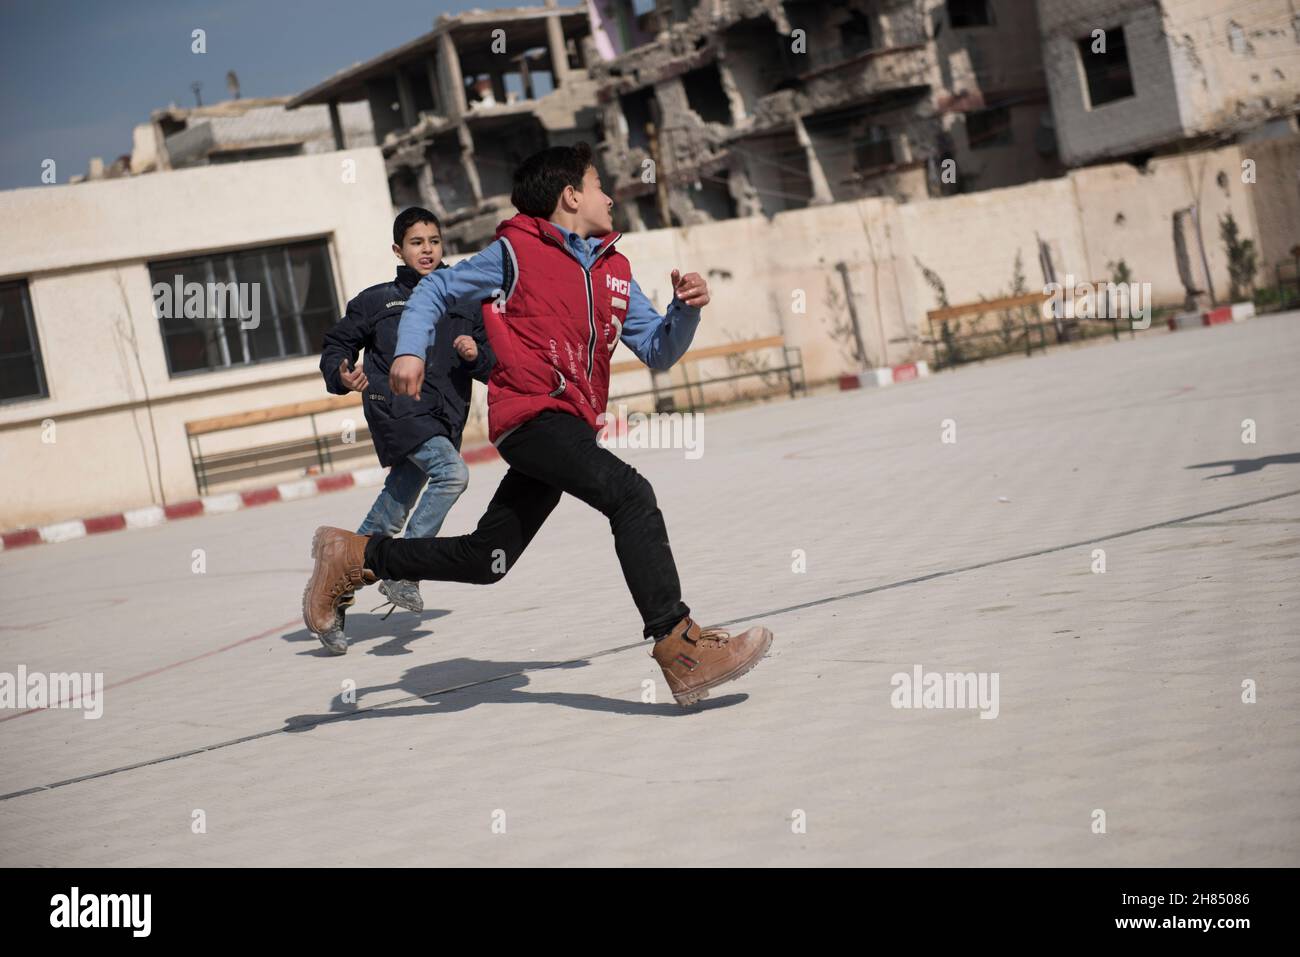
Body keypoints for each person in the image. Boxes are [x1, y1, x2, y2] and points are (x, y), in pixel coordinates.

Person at [303, 144, 772, 705]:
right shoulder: (514, 253)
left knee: (486, 559)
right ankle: (681, 647)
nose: (610, 196)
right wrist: (410, 351)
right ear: (572, 196)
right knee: (630, 494)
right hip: (530, 416)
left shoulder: (615, 270)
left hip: (571, 426)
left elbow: (656, 348)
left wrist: (686, 310)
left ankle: (357, 556)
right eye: (600, 185)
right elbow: (433, 288)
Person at [315, 207, 494, 654]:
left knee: (393, 507)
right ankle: (405, 569)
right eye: (417, 242)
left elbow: (492, 362)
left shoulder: (467, 300)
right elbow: (337, 345)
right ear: (398, 250)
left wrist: (475, 356)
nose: (427, 249)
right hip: (395, 409)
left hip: (445, 418)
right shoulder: (377, 301)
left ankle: (335, 584)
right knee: (453, 474)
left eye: (434, 241)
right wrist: (341, 373)